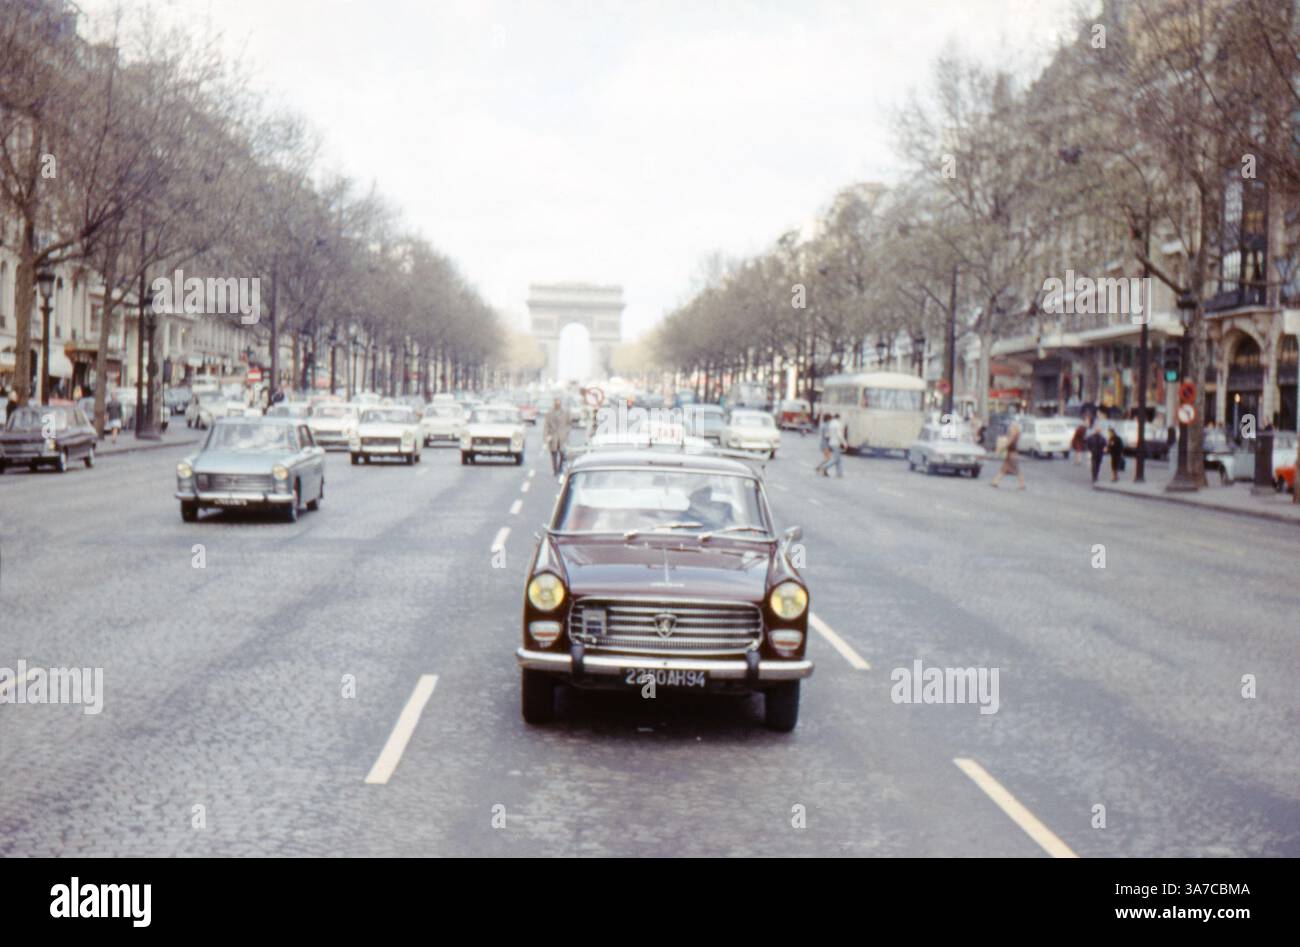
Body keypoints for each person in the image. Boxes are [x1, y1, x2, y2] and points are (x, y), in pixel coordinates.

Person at [990, 422, 1025, 489]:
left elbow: (1008, 444)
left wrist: (1000, 449)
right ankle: (995, 482)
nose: (1009, 429)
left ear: (1014, 429)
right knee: (1003, 469)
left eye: (1011, 427)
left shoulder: (1013, 437)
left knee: (1017, 470)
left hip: (1012, 454)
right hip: (1011, 454)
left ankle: (1022, 484)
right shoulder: (1014, 436)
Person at [542, 397, 570, 476]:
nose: (557, 404)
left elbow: (569, 424)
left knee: (562, 453)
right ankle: (555, 469)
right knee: (553, 453)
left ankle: (560, 468)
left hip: (562, 437)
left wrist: (566, 432)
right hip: (553, 436)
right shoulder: (549, 413)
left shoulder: (565, 413)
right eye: (556, 402)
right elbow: (546, 426)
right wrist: (545, 437)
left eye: (559, 402)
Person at [816, 413, 845, 478]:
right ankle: (821, 467)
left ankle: (838, 473)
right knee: (829, 458)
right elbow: (827, 435)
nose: (831, 420)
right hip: (826, 443)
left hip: (824, 442)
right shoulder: (826, 425)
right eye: (830, 418)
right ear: (828, 419)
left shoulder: (823, 424)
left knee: (832, 458)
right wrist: (832, 437)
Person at [1086, 418, 1107, 484]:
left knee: (1098, 465)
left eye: (1099, 430)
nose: (1098, 431)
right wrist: (1090, 450)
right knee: (1094, 465)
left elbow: (1105, 445)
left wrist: (1104, 449)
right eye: (1097, 430)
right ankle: (1094, 476)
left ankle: (1096, 475)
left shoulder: (1102, 438)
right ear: (1095, 431)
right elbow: (1088, 444)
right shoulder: (1091, 437)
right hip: (1093, 452)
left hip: (1100, 453)